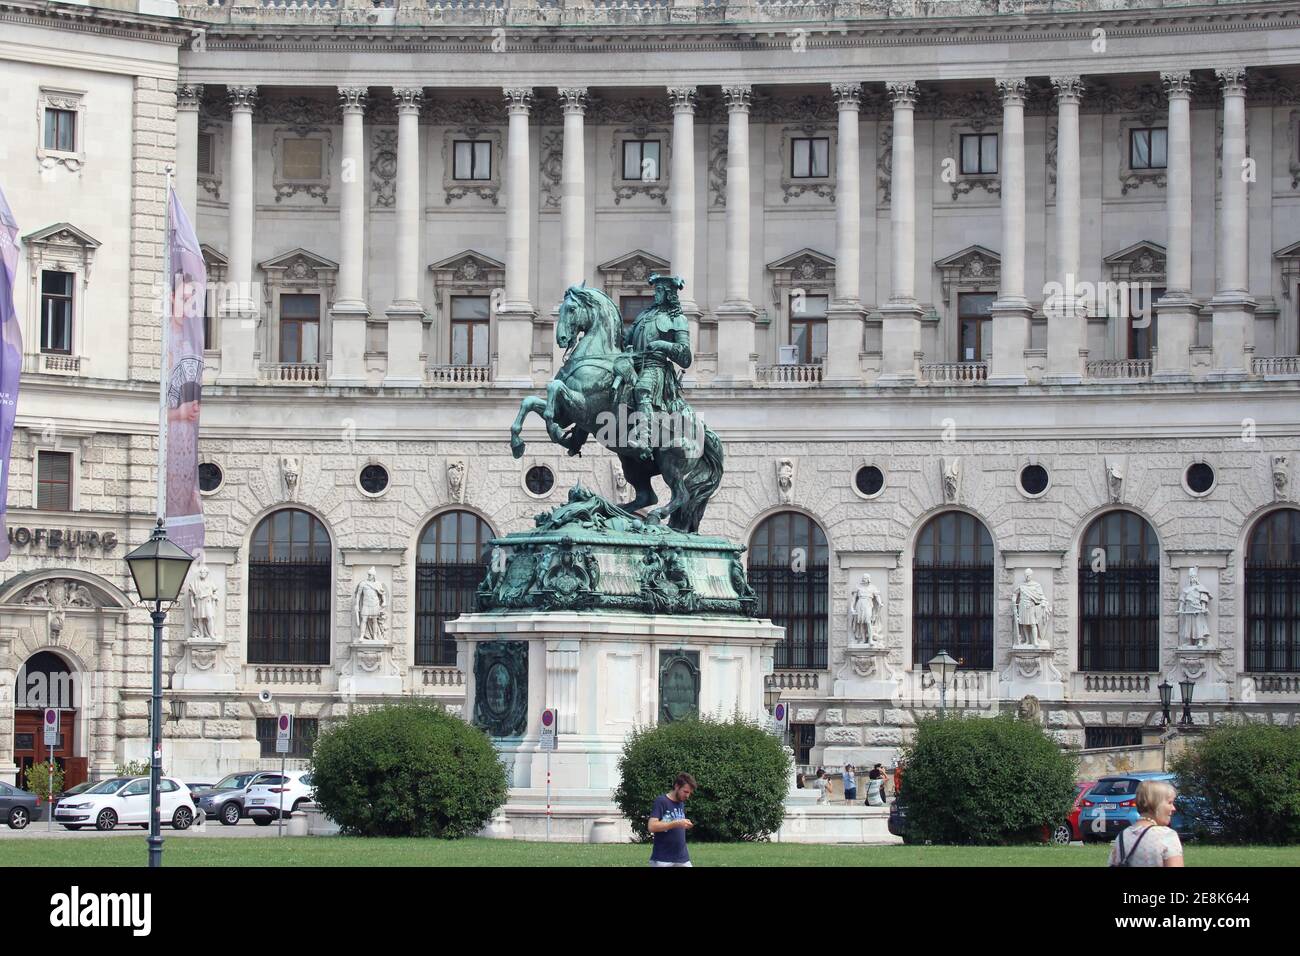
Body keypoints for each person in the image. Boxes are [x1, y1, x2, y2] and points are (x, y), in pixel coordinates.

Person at [1107, 780, 1185, 868]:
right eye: (1170, 802)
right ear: (1155, 803)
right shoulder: (1166, 836)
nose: (1173, 808)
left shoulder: (1122, 836)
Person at [648, 772, 696, 867]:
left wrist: (683, 824)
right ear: (677, 786)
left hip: (682, 857)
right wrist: (676, 823)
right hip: (663, 858)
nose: (687, 796)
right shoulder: (661, 801)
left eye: (689, 793)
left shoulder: (681, 802)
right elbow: (651, 826)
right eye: (685, 792)